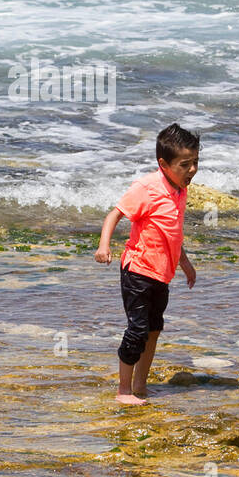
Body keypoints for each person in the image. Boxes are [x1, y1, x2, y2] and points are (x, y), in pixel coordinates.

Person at [94, 123, 199, 405]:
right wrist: (104, 246)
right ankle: (123, 391)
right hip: (138, 271)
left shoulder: (179, 190)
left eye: (196, 163)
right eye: (185, 164)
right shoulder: (146, 187)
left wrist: (185, 263)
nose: (191, 170)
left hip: (161, 275)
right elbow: (113, 216)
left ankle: (140, 386)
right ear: (163, 164)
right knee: (137, 331)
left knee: (154, 330)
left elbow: (172, 234)